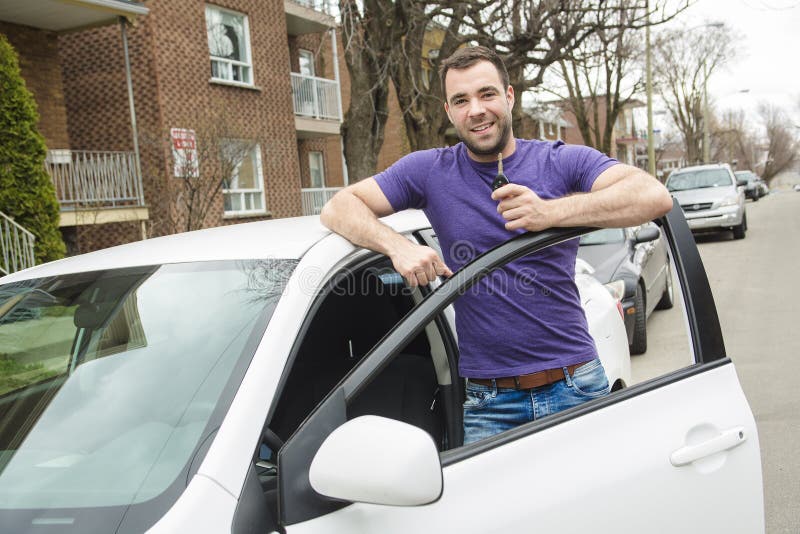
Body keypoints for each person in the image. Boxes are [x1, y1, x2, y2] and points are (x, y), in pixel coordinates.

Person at [320, 46, 673, 444]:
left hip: (574, 383)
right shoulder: (430, 172)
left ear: (508, 96)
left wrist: (549, 213)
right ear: (449, 111)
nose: (476, 110)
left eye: (486, 94)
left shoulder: (557, 162)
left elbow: (652, 196)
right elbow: (338, 207)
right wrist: (396, 245)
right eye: (461, 100)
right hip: (490, 403)